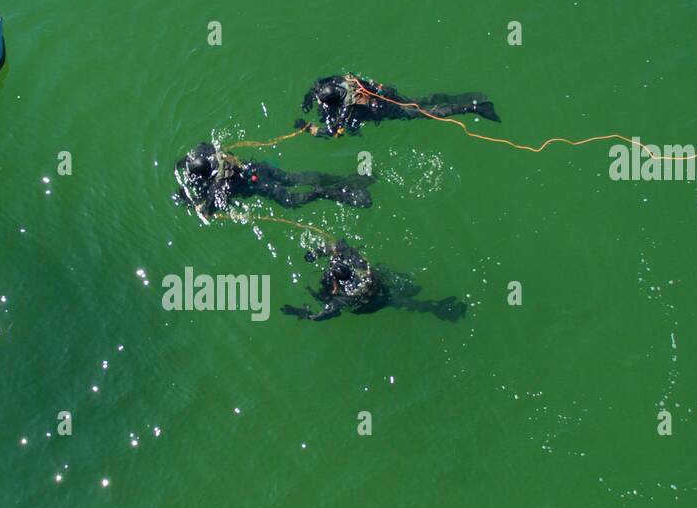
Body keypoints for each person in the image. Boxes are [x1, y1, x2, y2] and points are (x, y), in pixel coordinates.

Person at [172, 141, 372, 223]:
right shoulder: (210, 154)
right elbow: (205, 145)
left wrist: (199, 206)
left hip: (258, 183)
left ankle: (323, 192)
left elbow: (211, 208)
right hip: (259, 168)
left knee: (291, 200)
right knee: (291, 178)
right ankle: (348, 180)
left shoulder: (219, 185)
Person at [281, 238, 467, 322]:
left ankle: (438, 309)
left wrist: (299, 312)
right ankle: (437, 307)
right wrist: (319, 252)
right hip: (381, 287)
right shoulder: (357, 263)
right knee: (404, 299)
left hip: (372, 304)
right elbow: (340, 245)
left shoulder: (342, 297)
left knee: (400, 302)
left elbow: (322, 315)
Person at [296, 74, 500, 139]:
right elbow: (316, 86)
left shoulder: (345, 107)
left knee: (425, 113)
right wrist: (308, 98)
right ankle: (459, 98)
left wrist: (307, 128)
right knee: (420, 101)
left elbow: (332, 133)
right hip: (385, 96)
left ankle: (474, 107)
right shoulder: (339, 81)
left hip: (384, 108)